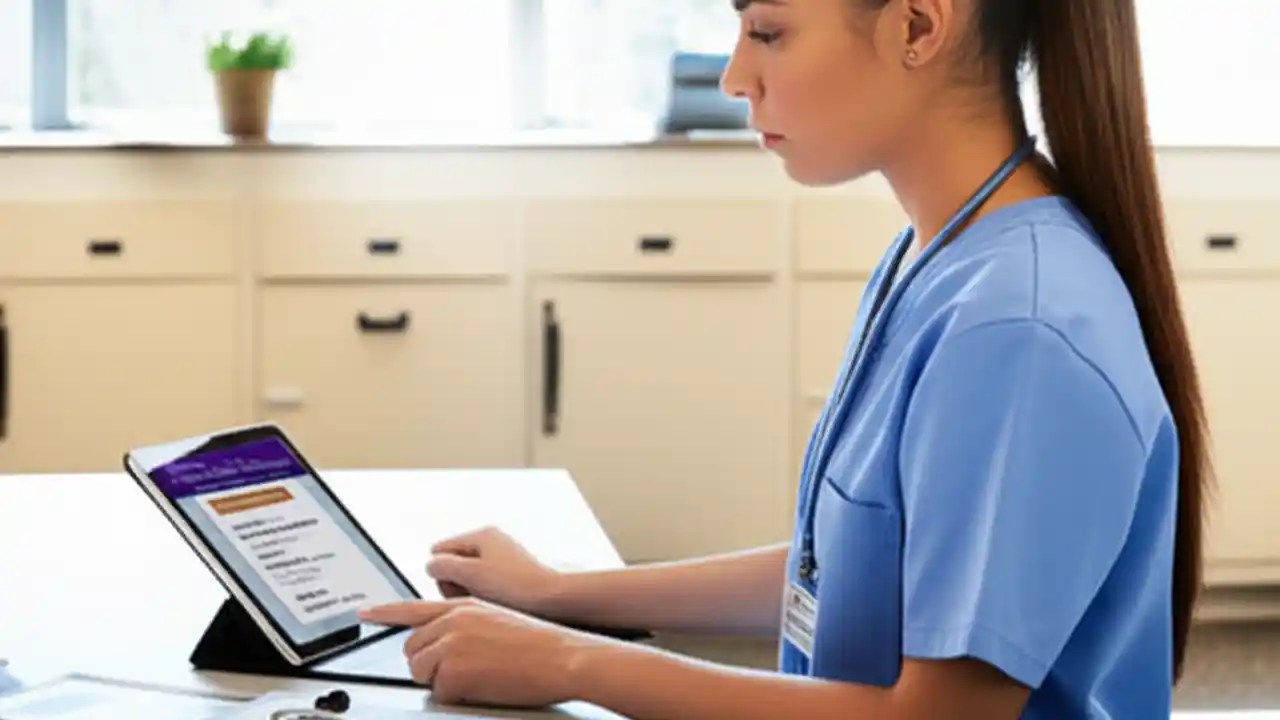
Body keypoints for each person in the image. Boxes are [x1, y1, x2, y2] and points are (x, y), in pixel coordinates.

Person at [360, 0, 1210, 717]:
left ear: (917, 26)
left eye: (768, 33)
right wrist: (557, 594)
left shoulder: (1017, 328)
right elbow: (837, 568)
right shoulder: (938, 255)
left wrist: (569, 664)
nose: (735, 77)